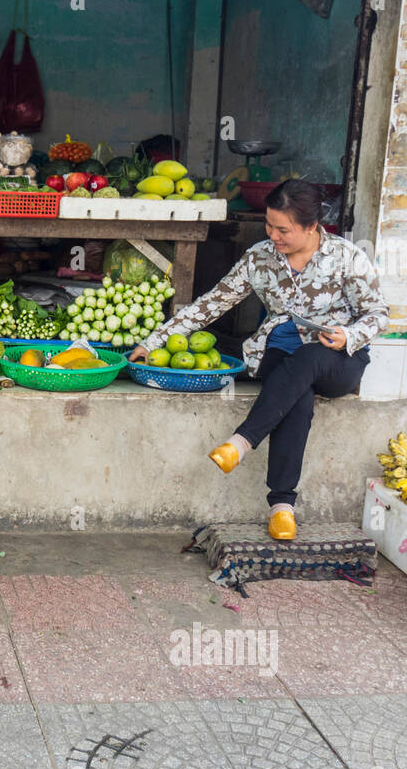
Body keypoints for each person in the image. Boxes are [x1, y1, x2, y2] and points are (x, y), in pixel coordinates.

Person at [129, 179, 389, 541]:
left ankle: (241, 442)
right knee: (296, 391)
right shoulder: (260, 257)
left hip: (336, 358)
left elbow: (378, 314)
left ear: (313, 226)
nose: (273, 235)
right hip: (279, 352)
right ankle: (282, 508)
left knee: (309, 358)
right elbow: (212, 303)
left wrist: (349, 335)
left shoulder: (347, 257)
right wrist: (154, 340)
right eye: (269, 225)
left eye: (283, 229)